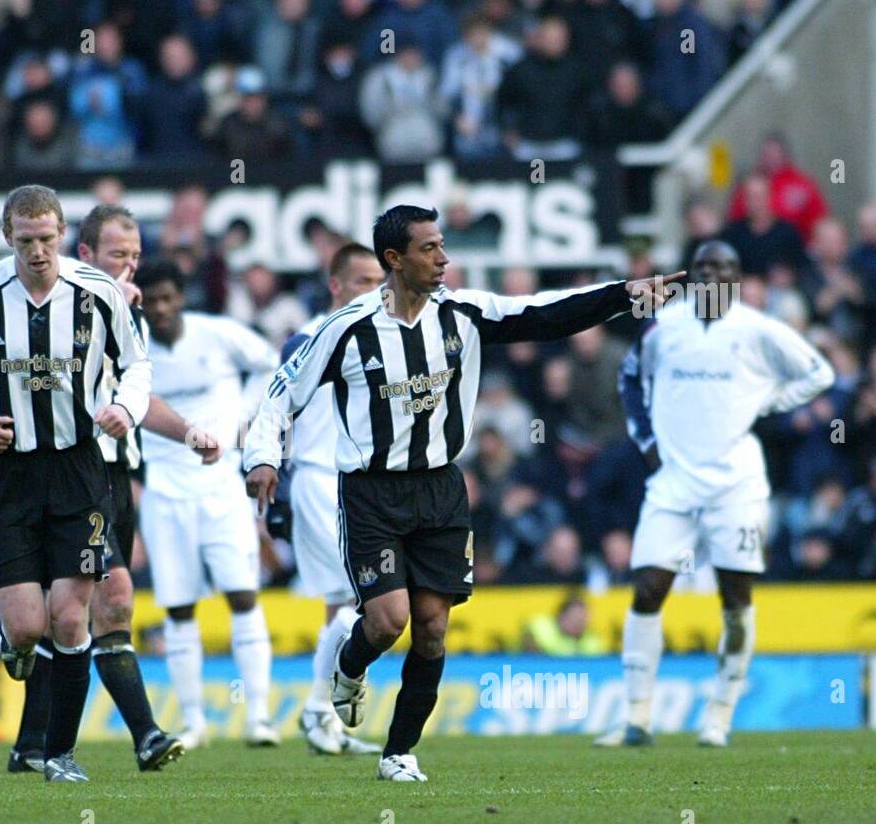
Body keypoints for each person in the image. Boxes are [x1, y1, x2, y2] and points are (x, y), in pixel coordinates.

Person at [243, 204, 677, 781]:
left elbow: (549, 312)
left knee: (431, 627)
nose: (444, 258)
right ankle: (350, 667)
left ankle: (398, 752)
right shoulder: (345, 330)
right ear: (394, 260)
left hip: (442, 489)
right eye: (429, 248)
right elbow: (279, 395)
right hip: (372, 492)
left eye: (443, 245)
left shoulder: (465, 312)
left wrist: (626, 293)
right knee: (385, 621)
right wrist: (263, 458)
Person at [0, 185, 151, 783]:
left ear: (62, 235)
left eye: (47, 239)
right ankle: (17, 645)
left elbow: (136, 365)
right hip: (9, 474)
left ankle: (60, 755)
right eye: (25, 241)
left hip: (79, 468)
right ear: (8, 238)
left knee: (71, 619)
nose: (37, 252)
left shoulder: (98, 292)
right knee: (29, 626)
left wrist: (125, 410)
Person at [8, 205, 222, 775]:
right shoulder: (71, 307)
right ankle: (144, 734)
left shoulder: (128, 315)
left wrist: (186, 433)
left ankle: (32, 744)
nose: (130, 268)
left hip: (118, 477)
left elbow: (139, 397)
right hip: (73, 473)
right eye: (116, 257)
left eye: (134, 257)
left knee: (75, 614)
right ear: (84, 257)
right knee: (107, 600)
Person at [598, 240, 834, 749]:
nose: (711, 275)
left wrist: (770, 402)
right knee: (647, 587)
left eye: (722, 267)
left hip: (736, 485)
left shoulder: (759, 329)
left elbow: (821, 373)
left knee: (734, 598)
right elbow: (630, 376)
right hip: (672, 481)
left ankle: (719, 716)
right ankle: (637, 717)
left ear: (737, 275)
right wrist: (646, 443)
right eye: (703, 267)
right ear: (691, 273)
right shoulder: (666, 324)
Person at [136, 257, 282, 750]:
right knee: (178, 607)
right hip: (163, 489)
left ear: (182, 297)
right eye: (151, 299)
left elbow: (272, 364)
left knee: (243, 594)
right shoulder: (132, 349)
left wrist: (244, 419)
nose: (159, 308)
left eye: (167, 298)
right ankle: (194, 721)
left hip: (221, 484)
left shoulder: (216, 334)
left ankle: (259, 716)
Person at [281, 241, 384, 756]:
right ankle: (320, 708)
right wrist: (274, 477)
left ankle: (327, 725)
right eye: (363, 281)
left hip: (352, 482)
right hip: (323, 480)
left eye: (379, 280)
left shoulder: (378, 336)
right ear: (336, 286)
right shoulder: (309, 338)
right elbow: (278, 408)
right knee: (365, 600)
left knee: (339, 604)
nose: (375, 290)